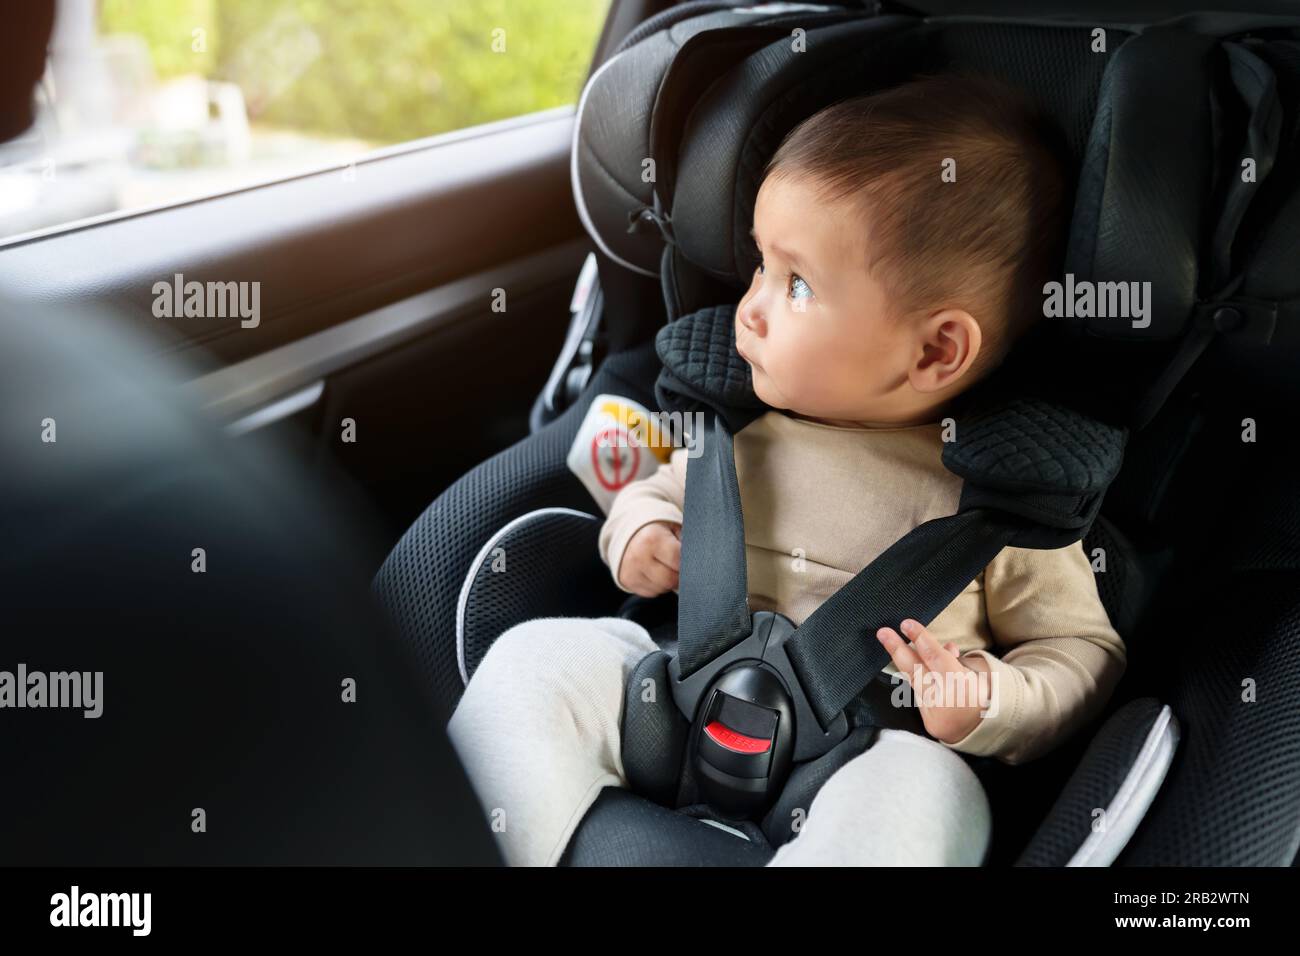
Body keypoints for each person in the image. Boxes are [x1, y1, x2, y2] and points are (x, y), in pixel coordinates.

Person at [448, 74, 1127, 866]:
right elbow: (653, 493)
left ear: (935, 351)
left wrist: (989, 696)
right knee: (538, 665)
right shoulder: (742, 431)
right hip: (670, 696)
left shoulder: (1000, 505)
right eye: (760, 269)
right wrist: (640, 532)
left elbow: (1082, 653)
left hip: (868, 749)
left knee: (922, 801)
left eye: (796, 283)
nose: (751, 306)